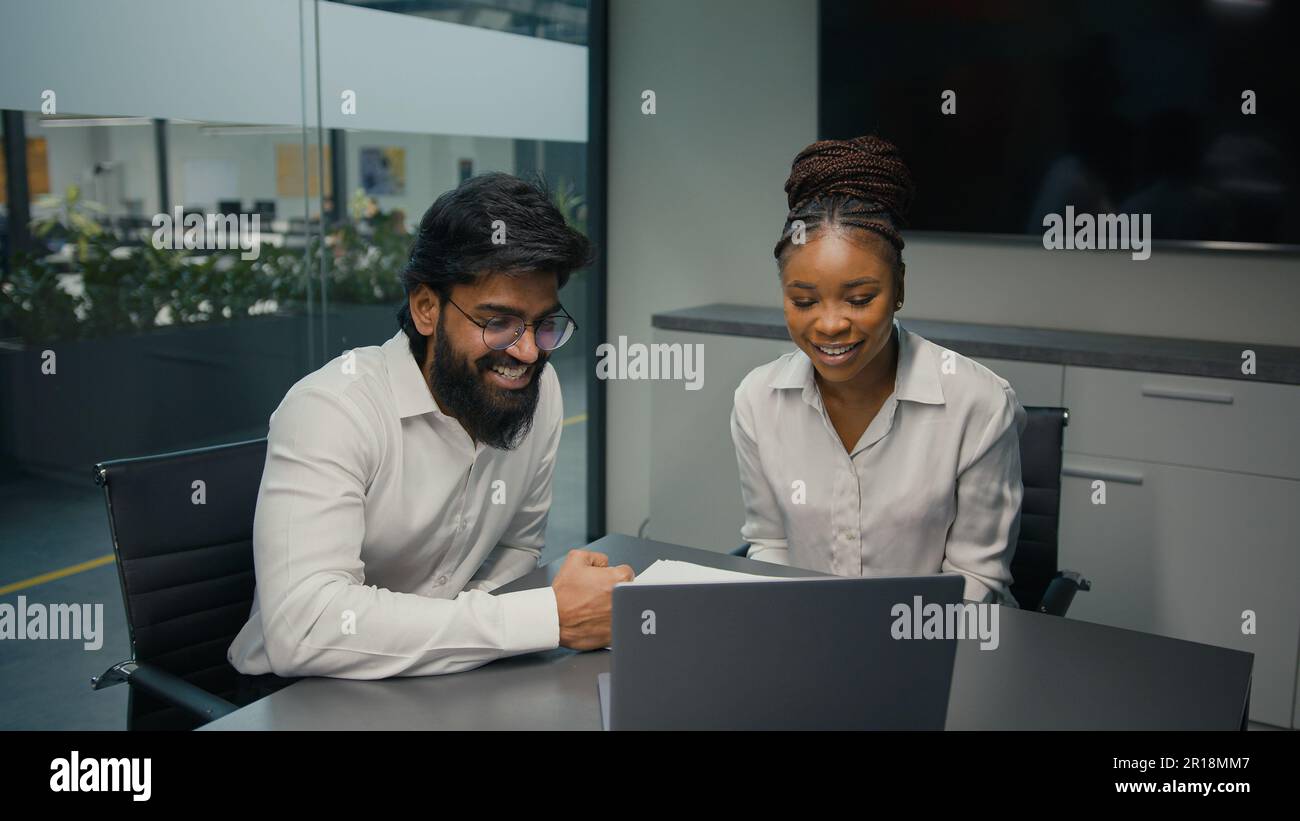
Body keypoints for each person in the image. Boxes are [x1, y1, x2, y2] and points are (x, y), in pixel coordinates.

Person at [228, 172, 632, 694]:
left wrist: (468, 641)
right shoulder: (332, 409)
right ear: (426, 307)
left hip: (436, 686)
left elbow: (517, 547)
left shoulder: (540, 390)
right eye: (498, 322)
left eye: (544, 324)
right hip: (296, 697)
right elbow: (303, 624)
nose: (528, 352)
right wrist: (543, 618)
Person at [730, 136, 1026, 605]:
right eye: (803, 301)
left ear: (899, 286)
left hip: (939, 648)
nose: (830, 324)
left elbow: (977, 581)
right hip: (810, 638)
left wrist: (883, 650)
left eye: (860, 299)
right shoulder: (757, 400)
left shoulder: (978, 403)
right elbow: (770, 543)